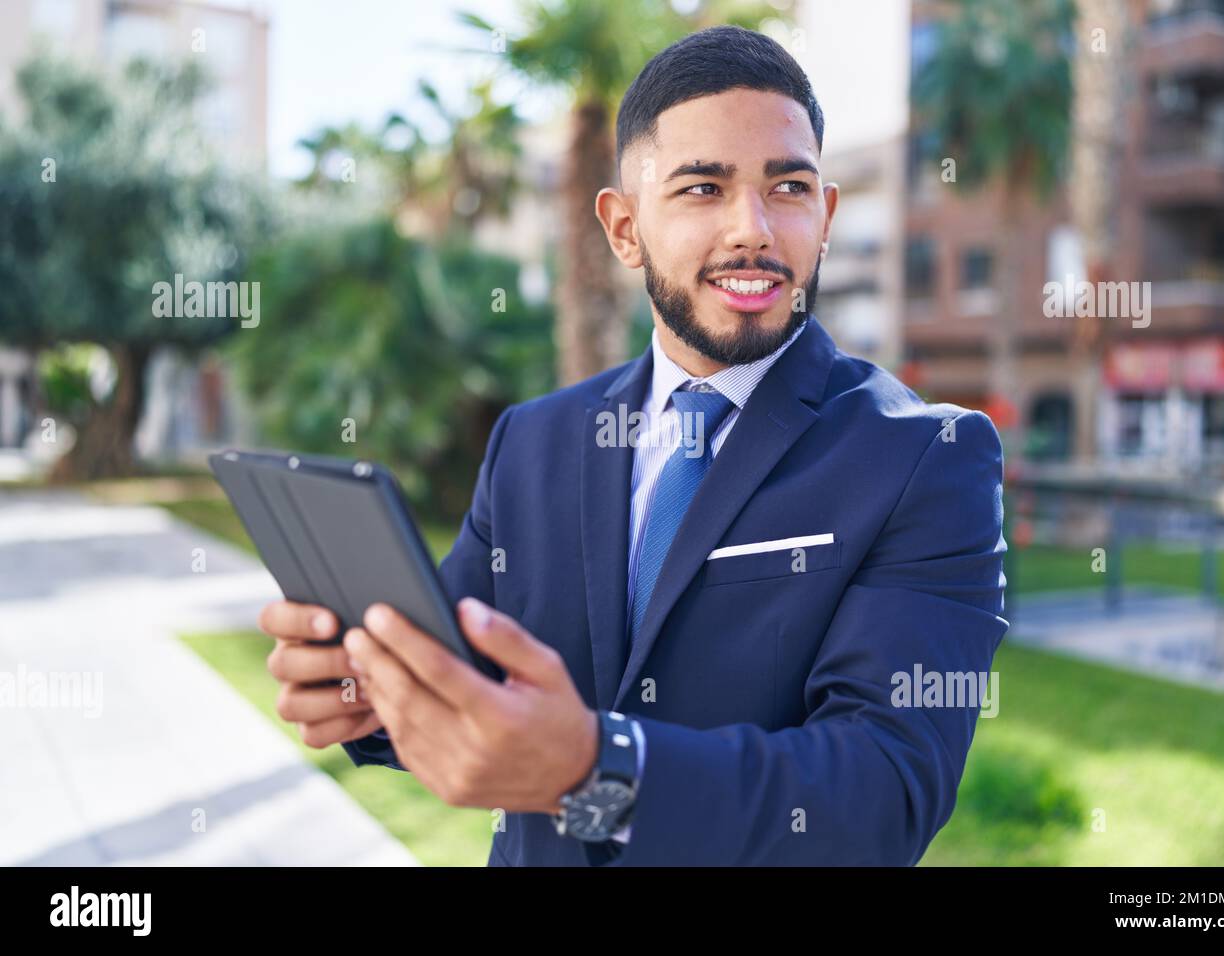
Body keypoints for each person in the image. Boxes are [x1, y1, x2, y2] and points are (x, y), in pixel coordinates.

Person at [257, 24, 1008, 866]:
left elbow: (882, 794)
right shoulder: (532, 442)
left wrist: (594, 769)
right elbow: (472, 688)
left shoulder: (925, 457)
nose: (752, 230)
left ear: (825, 216)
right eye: (702, 189)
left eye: (788, 187)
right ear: (623, 228)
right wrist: (375, 694)